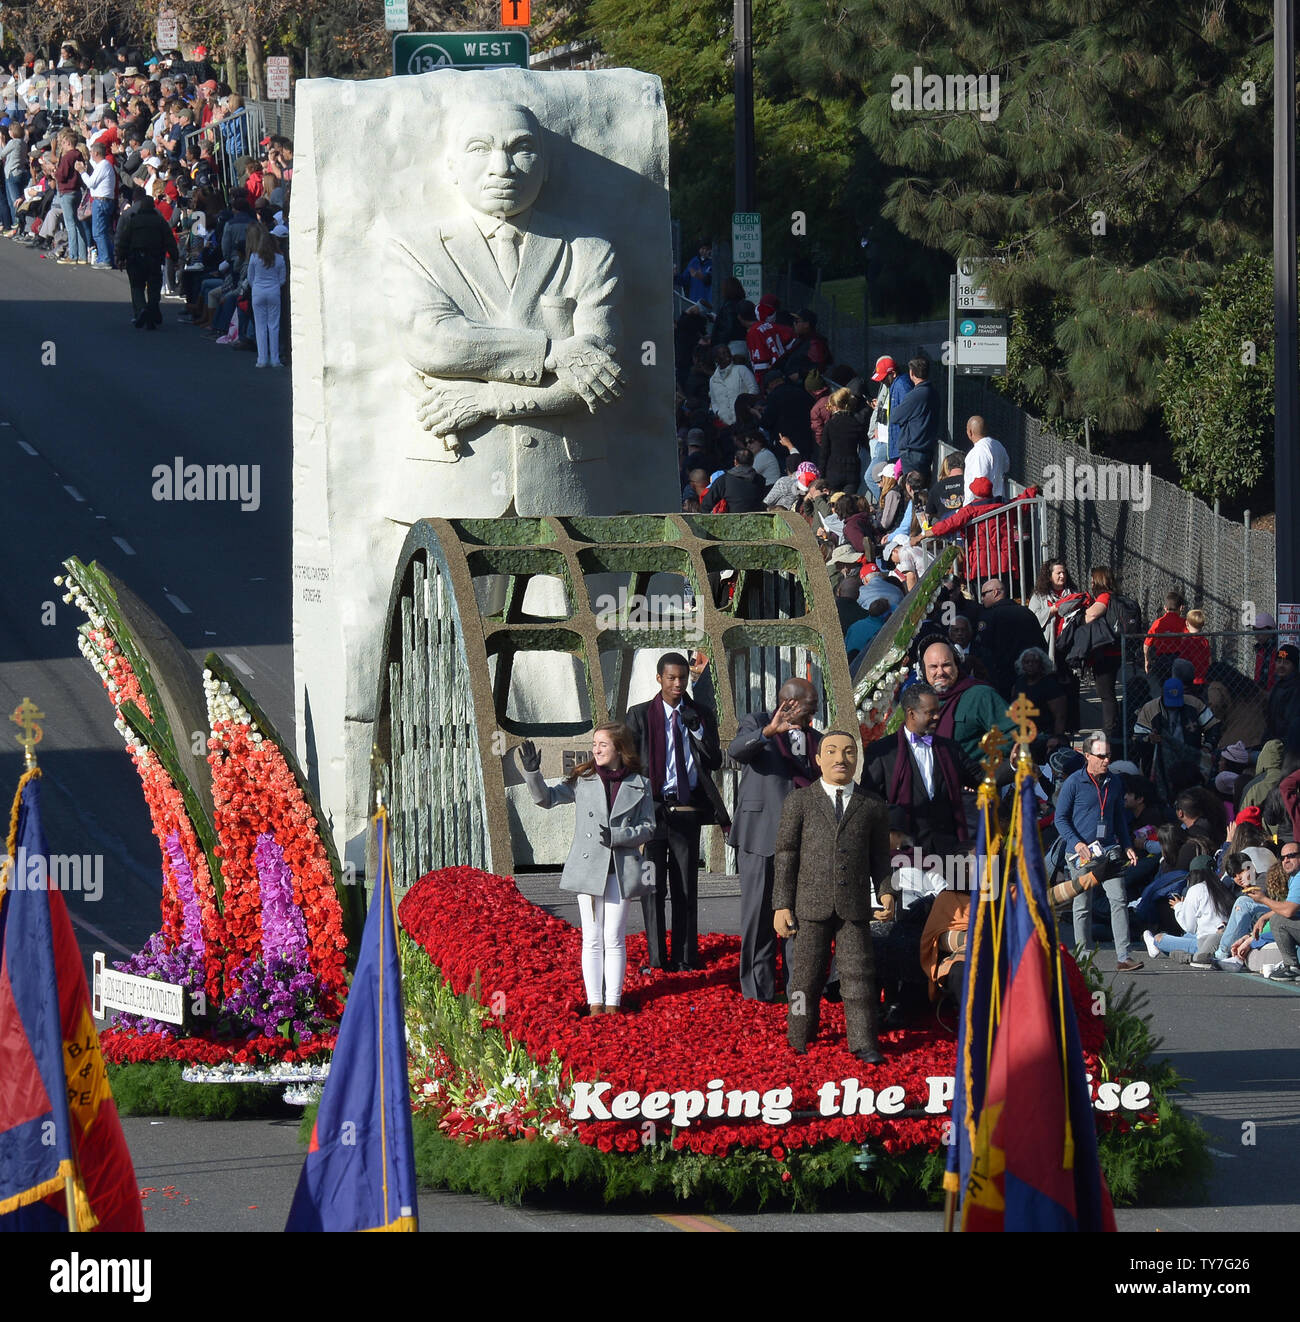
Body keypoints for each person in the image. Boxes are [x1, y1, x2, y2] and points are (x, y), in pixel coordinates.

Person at [518, 726, 655, 1015]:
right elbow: (547, 798)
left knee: (614, 937)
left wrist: (620, 836)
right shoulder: (584, 779)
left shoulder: (640, 783)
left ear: (619, 748)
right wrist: (533, 774)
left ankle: (613, 1004)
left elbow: (649, 827)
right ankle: (595, 1003)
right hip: (589, 868)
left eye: (603, 744)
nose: (596, 749)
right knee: (592, 937)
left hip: (621, 868)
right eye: (594, 744)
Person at [772, 730, 890, 1063]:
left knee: (859, 973)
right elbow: (786, 854)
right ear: (818, 759)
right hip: (809, 904)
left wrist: (886, 891)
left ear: (857, 758)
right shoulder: (800, 801)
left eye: (849, 752)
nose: (841, 759)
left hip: (854, 905)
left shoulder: (872, 804)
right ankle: (799, 1032)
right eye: (833, 752)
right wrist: (781, 904)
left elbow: (880, 857)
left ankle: (864, 1040)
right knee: (804, 975)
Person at [623, 652, 725, 972]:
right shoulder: (639, 715)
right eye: (671, 678)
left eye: (682, 677)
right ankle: (657, 960)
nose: (678, 683)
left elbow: (713, 760)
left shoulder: (701, 713)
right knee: (652, 888)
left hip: (686, 811)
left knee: (685, 887)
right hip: (651, 813)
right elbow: (627, 764)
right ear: (659, 679)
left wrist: (696, 730)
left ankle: (685, 958)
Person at [729, 677, 821, 1001]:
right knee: (759, 916)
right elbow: (736, 751)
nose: (816, 711)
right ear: (792, 704)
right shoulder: (757, 723)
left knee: (795, 915)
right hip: (760, 834)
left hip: (801, 840)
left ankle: (797, 988)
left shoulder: (816, 738)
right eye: (811, 705)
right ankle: (759, 992)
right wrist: (769, 732)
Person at [862, 683, 979, 859]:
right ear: (911, 714)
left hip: (949, 851)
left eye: (938, 711)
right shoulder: (882, 752)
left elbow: (981, 777)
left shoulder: (950, 749)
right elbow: (868, 801)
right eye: (930, 712)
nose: (937, 716)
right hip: (905, 854)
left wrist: (1014, 766)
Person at [1057, 731, 1142, 971]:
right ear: (1087, 756)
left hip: (1108, 849)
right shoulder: (1073, 783)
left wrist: (1127, 845)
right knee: (1083, 904)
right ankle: (1083, 957)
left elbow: (1118, 817)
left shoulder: (1115, 782)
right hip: (1081, 854)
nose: (1106, 760)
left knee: (1119, 898)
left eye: (1109, 756)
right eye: (1101, 756)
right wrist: (1076, 843)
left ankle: (1124, 956)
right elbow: (1060, 819)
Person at [918, 638, 1015, 764]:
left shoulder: (980, 695)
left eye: (946, 665)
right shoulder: (920, 704)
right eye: (933, 667)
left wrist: (982, 769)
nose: (940, 672)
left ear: (957, 665)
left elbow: (1014, 733)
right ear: (923, 671)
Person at [1209, 842, 1298, 969]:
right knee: (1202, 941)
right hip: (1246, 932)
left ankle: (1221, 954)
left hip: (1276, 923)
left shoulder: (1265, 878)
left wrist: (1250, 938)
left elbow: (1286, 910)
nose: (1238, 878)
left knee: (1243, 902)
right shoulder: (1238, 889)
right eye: (1234, 876)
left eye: (1241, 872)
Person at [1133, 676, 1215, 803]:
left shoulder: (1193, 703)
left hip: (1189, 756)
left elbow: (1213, 726)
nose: (1173, 707)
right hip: (1161, 761)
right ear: (1162, 696)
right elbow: (1137, 738)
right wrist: (1149, 739)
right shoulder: (1150, 708)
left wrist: (1208, 746)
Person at [1142, 855, 1236, 959]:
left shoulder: (1196, 889)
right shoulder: (1223, 888)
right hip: (1224, 939)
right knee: (1186, 937)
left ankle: (1155, 943)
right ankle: (1178, 953)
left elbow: (1189, 926)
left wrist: (1179, 907)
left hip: (1205, 943)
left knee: (1159, 938)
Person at [973, 578, 1050, 701]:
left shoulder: (989, 617)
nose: (981, 599)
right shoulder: (1026, 613)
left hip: (1001, 680)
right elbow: (1041, 645)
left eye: (984, 594)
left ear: (995, 592)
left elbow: (983, 649)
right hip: (1029, 678)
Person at [115, 184, 178, 328]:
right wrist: (174, 257)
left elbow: (123, 240)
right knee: (154, 287)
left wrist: (119, 257)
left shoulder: (132, 218)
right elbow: (169, 240)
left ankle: (142, 308)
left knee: (137, 287)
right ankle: (151, 309)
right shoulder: (159, 220)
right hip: (155, 257)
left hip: (136, 257)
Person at [887, 356, 938, 484]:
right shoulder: (933, 392)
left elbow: (894, 417)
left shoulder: (916, 394)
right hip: (926, 447)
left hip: (913, 450)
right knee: (922, 488)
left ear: (912, 373)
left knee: (912, 489)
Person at [245, 221, 286, 368]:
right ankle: (275, 359)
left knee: (260, 326)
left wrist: (255, 286)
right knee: (274, 325)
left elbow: (250, 277)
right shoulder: (280, 258)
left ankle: (262, 359)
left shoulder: (254, 257)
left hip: (258, 291)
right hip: (274, 291)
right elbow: (282, 279)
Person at [75, 140, 116, 268]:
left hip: (101, 201)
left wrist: (82, 171)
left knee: (98, 232)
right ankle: (108, 257)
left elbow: (91, 183)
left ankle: (105, 259)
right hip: (103, 200)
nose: (91, 154)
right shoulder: (103, 166)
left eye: (92, 152)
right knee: (103, 231)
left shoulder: (103, 165)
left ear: (97, 153)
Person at [817, 386, 864, 493]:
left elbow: (824, 452)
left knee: (834, 504)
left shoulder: (830, 424)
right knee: (849, 504)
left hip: (833, 470)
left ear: (835, 407)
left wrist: (822, 475)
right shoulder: (856, 423)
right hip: (852, 469)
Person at [707, 343, 757, 426]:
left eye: (727, 352)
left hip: (746, 420)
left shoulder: (741, 369)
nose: (727, 355)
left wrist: (746, 408)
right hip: (726, 424)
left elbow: (754, 390)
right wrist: (719, 413)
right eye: (723, 353)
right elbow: (714, 402)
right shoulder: (713, 380)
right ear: (716, 359)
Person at [962, 415, 1009, 502]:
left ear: (970, 432)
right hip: (999, 502)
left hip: (981, 507)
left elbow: (979, 484)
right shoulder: (999, 446)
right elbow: (1006, 467)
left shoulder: (977, 452)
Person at [1143, 591, 1187, 683]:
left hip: (1162, 659)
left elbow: (1146, 644)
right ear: (1180, 608)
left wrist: (1147, 660)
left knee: (1164, 685)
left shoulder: (1158, 623)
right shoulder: (1184, 622)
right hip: (1179, 657)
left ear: (1165, 608)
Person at [1266, 644, 1300, 742]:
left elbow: (1290, 723)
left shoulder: (1296, 688)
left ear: (1294, 666)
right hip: (1273, 741)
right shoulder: (1277, 686)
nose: (1281, 665)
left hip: (1287, 745)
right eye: (1279, 661)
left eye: (1286, 662)